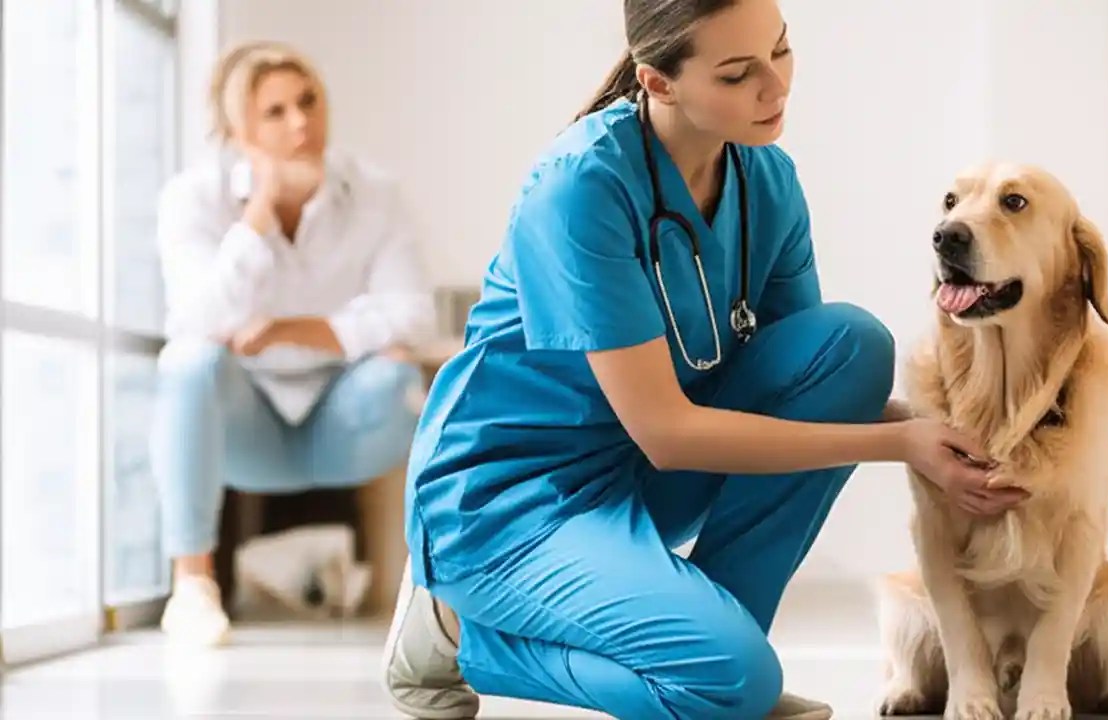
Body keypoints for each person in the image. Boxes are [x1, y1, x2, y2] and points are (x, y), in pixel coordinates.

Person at [381, 1, 1025, 718]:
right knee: (733, 683)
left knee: (852, 346)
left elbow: (817, 390)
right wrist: (901, 444)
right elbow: (668, 431)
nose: (775, 88)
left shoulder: (766, 182)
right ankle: (455, 635)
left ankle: (718, 658)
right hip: (508, 501)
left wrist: (963, 439)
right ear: (657, 83)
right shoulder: (580, 188)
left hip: (634, 473)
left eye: (780, 52)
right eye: (737, 73)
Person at [152, 40, 435, 646]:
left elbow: (412, 314)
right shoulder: (191, 199)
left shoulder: (376, 194)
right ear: (236, 129)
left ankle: (435, 590)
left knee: (399, 373)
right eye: (274, 112)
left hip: (348, 423)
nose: (301, 123)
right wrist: (257, 214)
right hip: (243, 426)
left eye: (308, 101)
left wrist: (291, 331)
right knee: (186, 363)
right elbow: (196, 319)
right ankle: (193, 587)